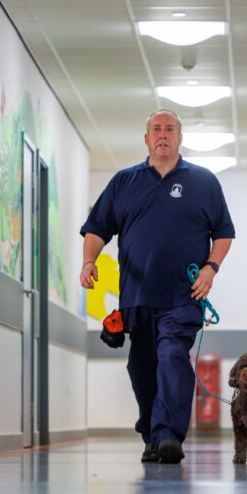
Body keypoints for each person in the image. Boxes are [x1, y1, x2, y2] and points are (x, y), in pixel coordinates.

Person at [80, 109, 235, 464]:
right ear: (147, 138)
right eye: (156, 129)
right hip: (136, 297)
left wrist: (210, 269)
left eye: (169, 129)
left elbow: (224, 233)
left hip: (183, 295)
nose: (163, 135)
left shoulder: (204, 182)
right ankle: (152, 435)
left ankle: (168, 435)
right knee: (142, 368)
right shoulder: (124, 182)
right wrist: (89, 261)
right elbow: (97, 229)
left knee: (171, 357)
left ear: (180, 137)